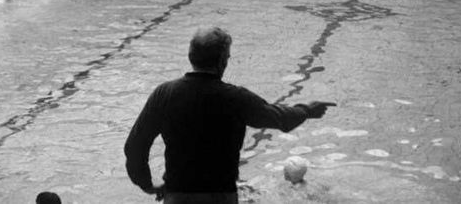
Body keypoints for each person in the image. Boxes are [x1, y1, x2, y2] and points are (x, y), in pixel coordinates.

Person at [124, 27, 336, 203]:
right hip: (221, 196)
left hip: (178, 195)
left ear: (191, 56)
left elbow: (135, 146)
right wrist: (307, 110)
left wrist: (147, 184)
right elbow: (280, 118)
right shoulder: (235, 98)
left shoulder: (164, 94)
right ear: (222, 62)